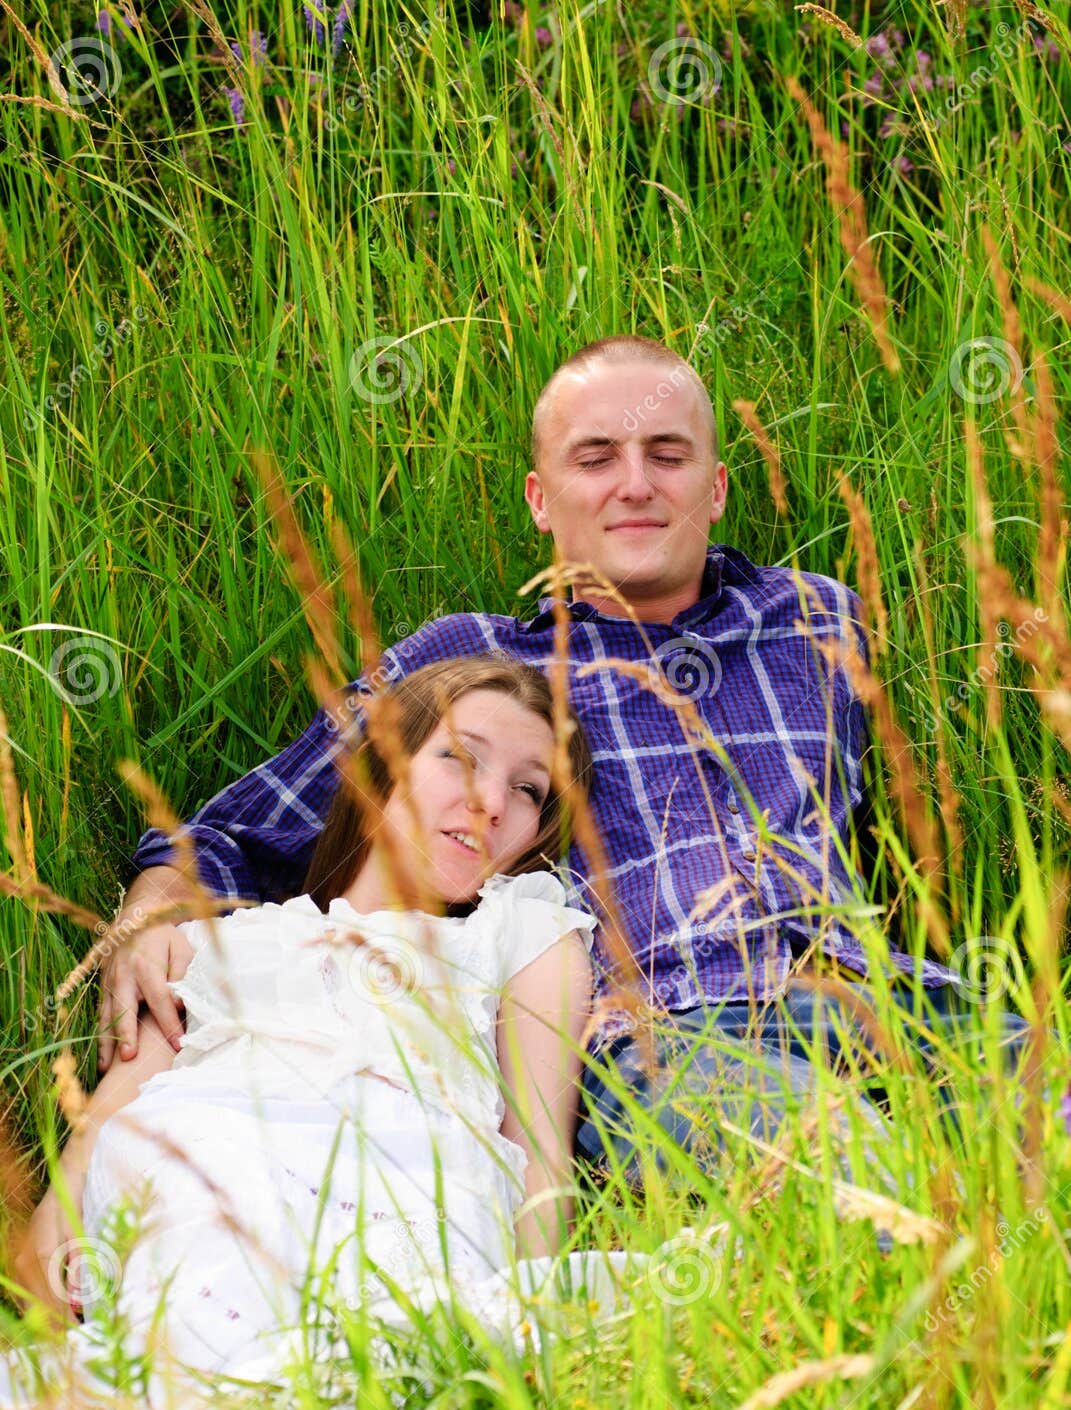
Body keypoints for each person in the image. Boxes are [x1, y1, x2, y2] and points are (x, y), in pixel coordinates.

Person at [73, 336, 1035, 1180]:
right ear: (540, 498)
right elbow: (244, 827)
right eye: (595, 458)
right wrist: (152, 916)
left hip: (873, 990)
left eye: (667, 454)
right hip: (656, 1029)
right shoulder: (470, 670)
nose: (634, 483)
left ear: (716, 485)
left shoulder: (816, 617)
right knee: (855, 1178)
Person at [5, 657, 641, 1410]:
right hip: (203, 1159)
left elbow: (538, 1153)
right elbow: (105, 1127)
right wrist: (45, 1277)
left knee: (381, 1296)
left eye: (529, 790)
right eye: (460, 756)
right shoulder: (216, 940)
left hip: (401, 1171)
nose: (491, 800)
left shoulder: (520, 929)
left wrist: (527, 1308)